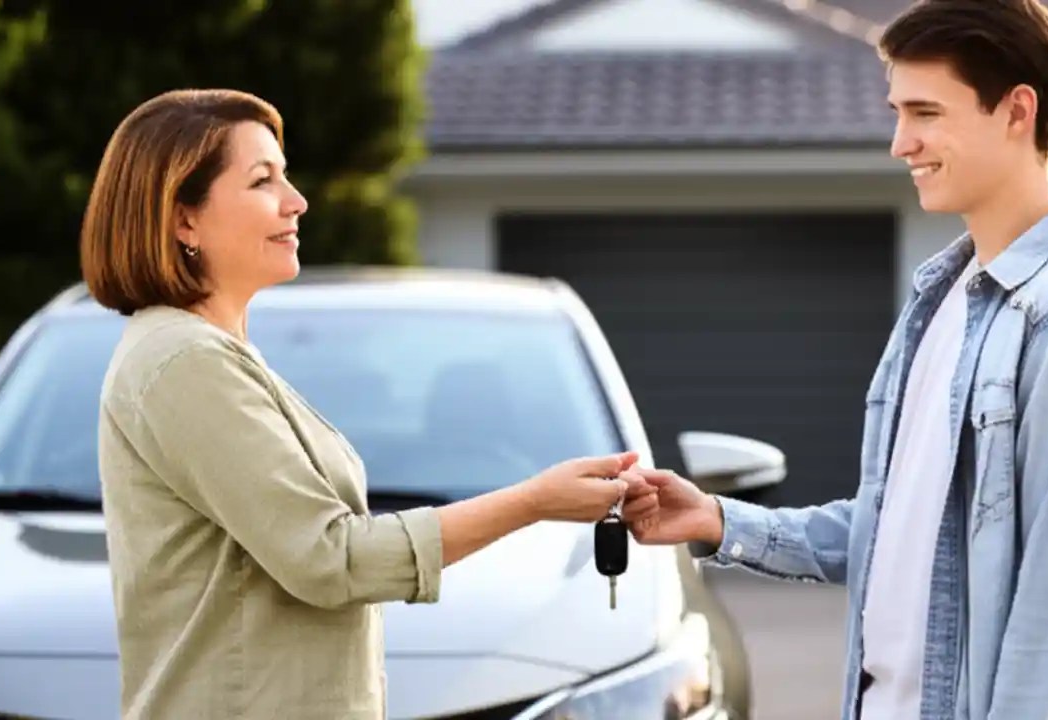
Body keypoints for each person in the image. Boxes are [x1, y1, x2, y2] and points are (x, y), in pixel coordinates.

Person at [628, 1, 1048, 718]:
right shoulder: (943, 300)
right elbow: (898, 531)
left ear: (1017, 111)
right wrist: (718, 521)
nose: (900, 143)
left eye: (926, 113)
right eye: (898, 113)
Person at [80, 88, 659, 719]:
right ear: (184, 220)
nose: (296, 201)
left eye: (285, 176)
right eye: (262, 180)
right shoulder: (185, 362)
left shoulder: (207, 353)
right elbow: (332, 560)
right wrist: (532, 502)